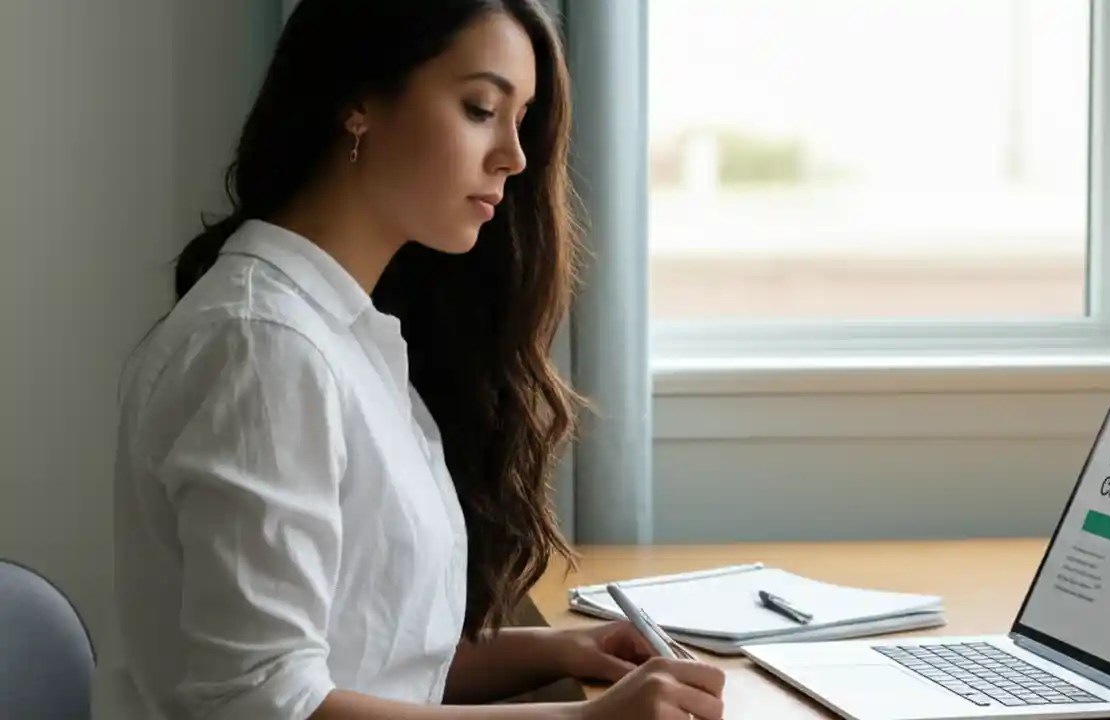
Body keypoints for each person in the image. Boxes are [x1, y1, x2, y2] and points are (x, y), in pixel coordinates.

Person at [112, 1, 725, 718]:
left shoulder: (341, 332)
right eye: (479, 108)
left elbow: (371, 656)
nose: (515, 156)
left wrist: (557, 653)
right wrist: (584, 718)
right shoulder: (264, 347)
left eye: (520, 118)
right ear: (359, 101)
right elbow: (266, 704)